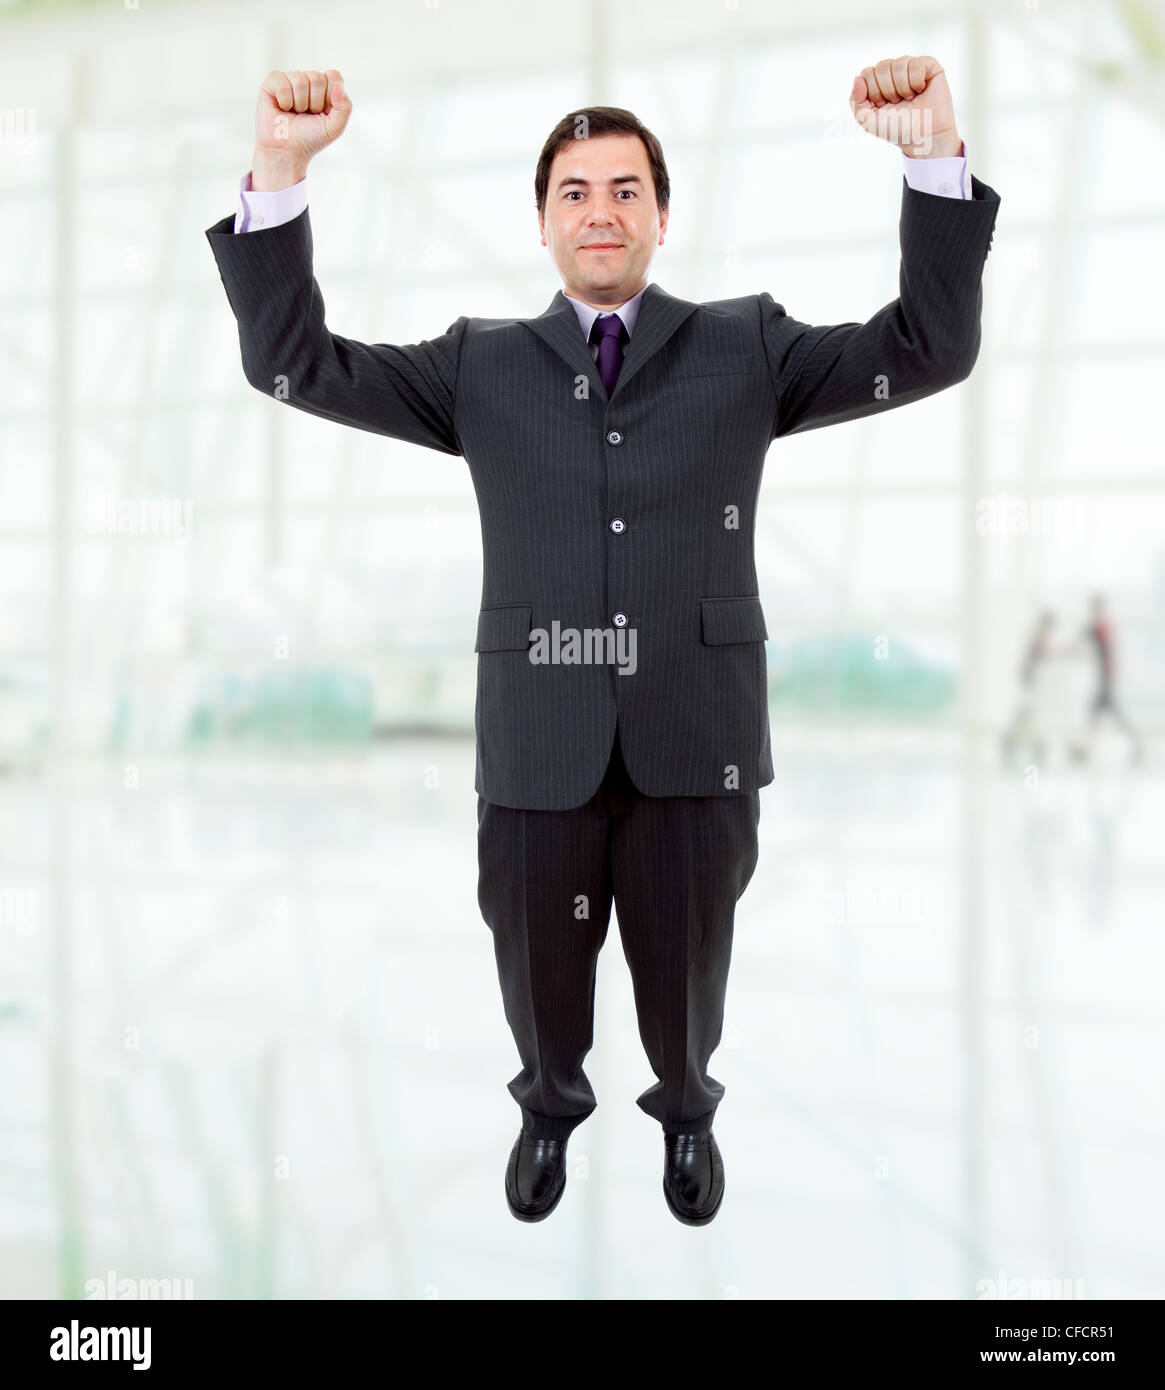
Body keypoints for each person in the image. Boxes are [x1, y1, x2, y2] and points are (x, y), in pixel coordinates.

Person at [206, 58, 1000, 1225]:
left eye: (626, 189)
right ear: (541, 222)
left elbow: (929, 346)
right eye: (575, 191)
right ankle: (549, 1104)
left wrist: (933, 158)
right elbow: (297, 366)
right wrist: (278, 172)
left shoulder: (747, 345)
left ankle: (686, 1113)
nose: (601, 210)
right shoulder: (477, 364)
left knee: (688, 969)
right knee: (534, 960)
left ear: (662, 218)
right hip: (538, 731)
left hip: (696, 724)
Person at [1073, 593, 1143, 763]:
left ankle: (1086, 749)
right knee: (1102, 714)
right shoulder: (1101, 626)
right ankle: (1086, 749)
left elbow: (1093, 645)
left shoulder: (1100, 626)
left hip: (1105, 679)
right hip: (1105, 677)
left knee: (1103, 714)